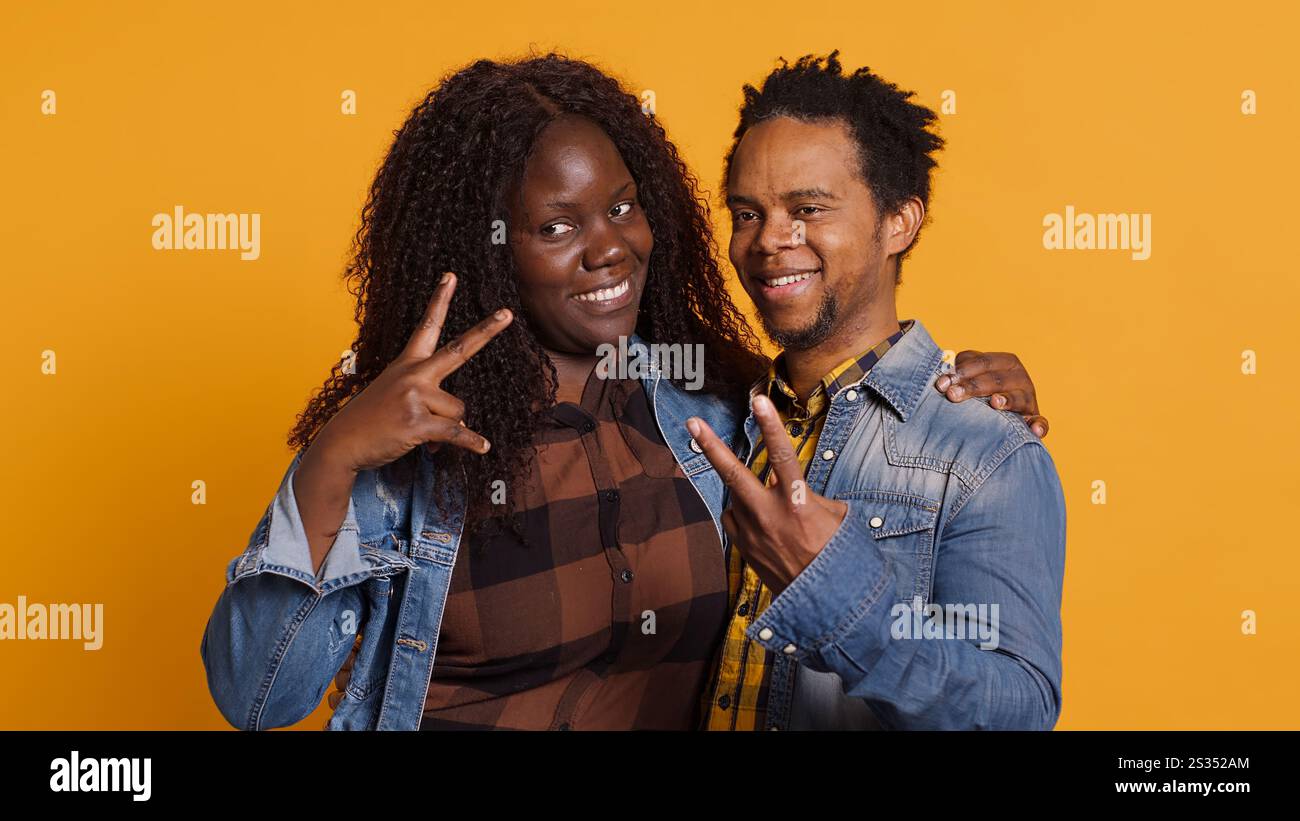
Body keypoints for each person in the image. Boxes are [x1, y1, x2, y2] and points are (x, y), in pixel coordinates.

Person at [200, 53, 1047, 731]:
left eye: (622, 207)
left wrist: (967, 392)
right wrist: (337, 452)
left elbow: (1008, 698)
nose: (610, 249)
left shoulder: (708, 410)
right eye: (558, 226)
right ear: (492, 246)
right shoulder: (417, 448)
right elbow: (256, 697)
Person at [688, 52, 1067, 730]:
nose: (770, 239)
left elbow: (1017, 709)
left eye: (808, 208)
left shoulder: (986, 450)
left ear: (899, 222)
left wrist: (835, 594)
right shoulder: (706, 415)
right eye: (747, 213)